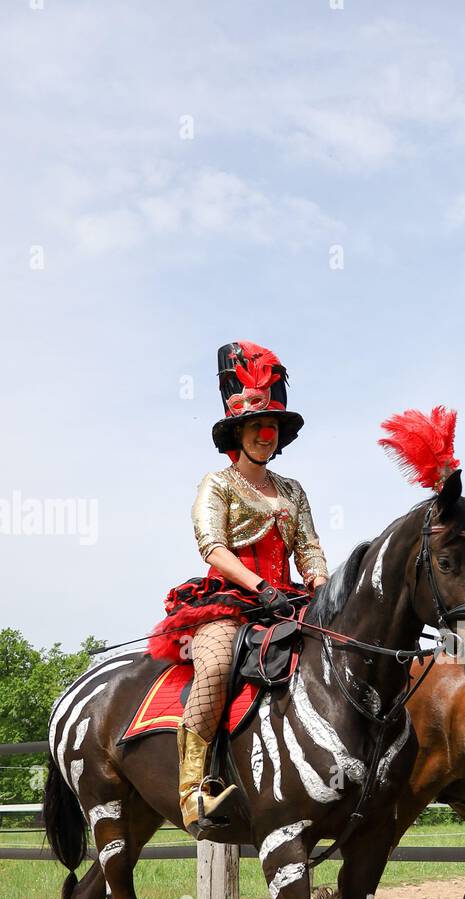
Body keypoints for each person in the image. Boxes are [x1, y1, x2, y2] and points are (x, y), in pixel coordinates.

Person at [147, 340, 328, 837]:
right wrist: (258, 587)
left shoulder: (293, 490)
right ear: (239, 434)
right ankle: (192, 792)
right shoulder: (217, 483)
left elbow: (309, 547)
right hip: (229, 600)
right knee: (216, 667)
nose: (266, 435)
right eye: (257, 428)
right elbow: (213, 548)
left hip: (288, 598)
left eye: (272, 428)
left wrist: (322, 586)